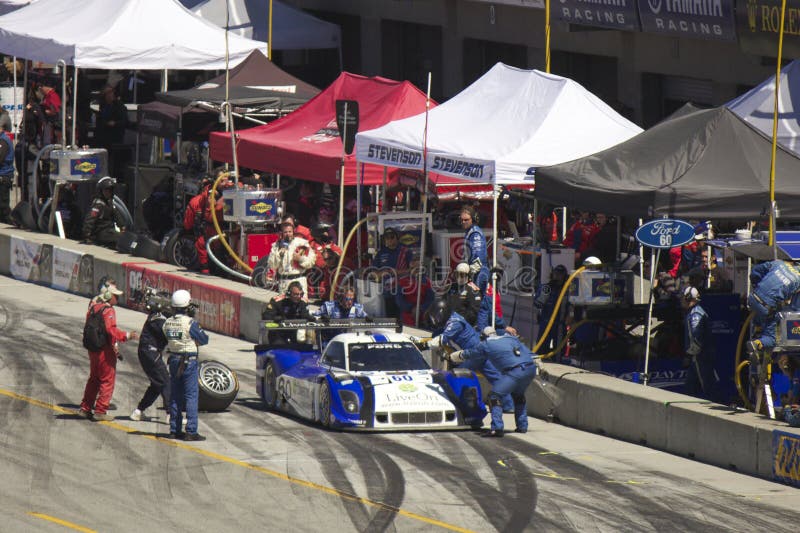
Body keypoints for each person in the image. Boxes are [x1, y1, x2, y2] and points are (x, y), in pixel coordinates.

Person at [419, 299, 514, 412]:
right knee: (496, 378)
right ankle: (509, 406)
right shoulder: (453, 318)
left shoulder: (455, 323)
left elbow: (441, 340)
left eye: (438, 317)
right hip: (481, 351)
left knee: (457, 374)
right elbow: (438, 333)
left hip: (473, 353)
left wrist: (425, 345)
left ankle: (455, 402)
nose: (436, 320)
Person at [447, 327, 538, 437]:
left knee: (494, 396)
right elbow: (529, 352)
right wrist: (540, 364)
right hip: (530, 369)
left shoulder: (485, 344)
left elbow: (471, 353)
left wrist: (456, 356)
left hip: (515, 371)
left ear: (483, 337)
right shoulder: (510, 338)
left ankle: (497, 428)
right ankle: (522, 426)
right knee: (518, 395)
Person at [77, 280, 139, 421]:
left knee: (94, 379)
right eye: (115, 296)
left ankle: (85, 408)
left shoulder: (93, 307)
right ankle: (100, 411)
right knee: (107, 380)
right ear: (108, 296)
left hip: (92, 348)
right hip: (104, 350)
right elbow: (111, 330)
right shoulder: (108, 310)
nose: (117, 298)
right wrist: (127, 336)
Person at [163, 289, 209, 441]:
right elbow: (204, 339)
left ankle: (174, 429)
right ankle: (191, 431)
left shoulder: (167, 322)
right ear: (187, 306)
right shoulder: (190, 323)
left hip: (174, 359)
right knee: (191, 396)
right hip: (188, 360)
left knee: (175, 396)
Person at [747, 260, 800, 356]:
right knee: (771, 340)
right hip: (765, 308)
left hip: (752, 298)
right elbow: (796, 308)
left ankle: (758, 331)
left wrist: (757, 287)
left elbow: (755, 271)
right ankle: (757, 344)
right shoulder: (799, 280)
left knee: (762, 317)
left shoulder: (780, 263)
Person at [130, 296, 171, 422]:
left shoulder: (155, 318)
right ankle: (172, 415)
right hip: (151, 352)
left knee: (157, 384)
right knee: (166, 381)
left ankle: (138, 411)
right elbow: (170, 334)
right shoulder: (159, 320)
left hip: (147, 352)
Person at [183, 175, 225, 274]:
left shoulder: (230, 194)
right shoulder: (198, 201)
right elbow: (188, 224)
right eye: (222, 180)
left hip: (223, 231)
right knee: (203, 245)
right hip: (211, 231)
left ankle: (213, 269)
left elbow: (187, 224)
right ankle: (209, 269)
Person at [681, 286, 716, 400]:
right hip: (698, 358)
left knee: (707, 387)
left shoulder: (695, 315)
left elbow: (697, 338)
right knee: (690, 388)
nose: (681, 300)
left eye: (682, 298)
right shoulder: (694, 312)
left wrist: (690, 354)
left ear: (688, 298)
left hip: (700, 357)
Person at [267, 217, 316, 293]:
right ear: (282, 233)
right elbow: (273, 265)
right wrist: (279, 254)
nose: (288, 234)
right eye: (285, 232)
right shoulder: (276, 245)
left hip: (299, 280)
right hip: (283, 282)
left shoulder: (302, 243)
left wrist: (300, 259)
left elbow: (311, 262)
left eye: (290, 232)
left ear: (293, 232)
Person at [371, 227, 411, 317]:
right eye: (387, 237)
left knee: (404, 318)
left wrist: (396, 272)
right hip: (387, 291)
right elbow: (373, 272)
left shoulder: (405, 251)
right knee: (391, 318)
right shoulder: (380, 253)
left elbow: (413, 270)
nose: (389, 239)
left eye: (392, 237)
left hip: (403, 290)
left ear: (397, 238)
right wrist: (381, 274)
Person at [534, 264, 570, 359]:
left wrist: (570, 316)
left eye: (560, 274)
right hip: (546, 322)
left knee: (559, 351)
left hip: (560, 324)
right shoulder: (546, 288)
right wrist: (545, 294)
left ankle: (558, 362)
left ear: (565, 276)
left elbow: (572, 306)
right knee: (541, 349)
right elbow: (537, 303)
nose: (558, 276)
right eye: (556, 274)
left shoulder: (567, 290)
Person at [82, 176, 128, 248]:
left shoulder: (109, 203)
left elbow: (117, 216)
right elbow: (90, 220)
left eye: (110, 190)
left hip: (109, 231)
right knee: (122, 239)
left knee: (127, 237)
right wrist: (87, 235)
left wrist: (122, 227)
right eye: (106, 190)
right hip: (101, 233)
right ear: (101, 191)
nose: (108, 192)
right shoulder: (98, 204)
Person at [94, 84, 128, 176]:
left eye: (111, 92)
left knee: (114, 161)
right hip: (103, 136)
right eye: (107, 93)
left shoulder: (119, 106)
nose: (110, 95)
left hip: (115, 137)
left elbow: (125, 121)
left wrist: (115, 123)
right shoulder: (103, 105)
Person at [395, 253, 434, 326]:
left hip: (423, 315)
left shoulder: (427, 282)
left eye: (418, 268)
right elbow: (399, 300)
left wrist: (420, 309)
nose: (416, 270)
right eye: (414, 268)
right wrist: (411, 308)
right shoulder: (402, 281)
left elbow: (430, 300)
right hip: (407, 315)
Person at [460, 206, 489, 292]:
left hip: (479, 274)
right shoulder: (469, 232)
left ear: (473, 219)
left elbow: (478, 259)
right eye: (462, 220)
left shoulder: (475, 234)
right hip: (474, 274)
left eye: (466, 220)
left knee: (477, 302)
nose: (463, 222)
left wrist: (467, 273)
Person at [0, 121, 13, 224]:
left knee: (3, 205)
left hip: (4, 175)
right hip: (3, 174)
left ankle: (8, 222)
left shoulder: (3, 140)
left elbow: (1, 158)